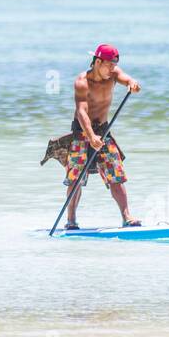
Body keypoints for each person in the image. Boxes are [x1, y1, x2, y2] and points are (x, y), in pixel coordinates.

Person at [63, 43, 142, 230]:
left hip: (104, 130)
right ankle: (71, 220)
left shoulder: (113, 74)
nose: (113, 69)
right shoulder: (82, 81)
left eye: (114, 65)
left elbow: (126, 78)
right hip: (82, 132)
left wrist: (132, 84)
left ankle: (127, 217)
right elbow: (81, 112)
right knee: (75, 180)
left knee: (116, 175)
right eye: (109, 65)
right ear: (98, 62)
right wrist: (90, 137)